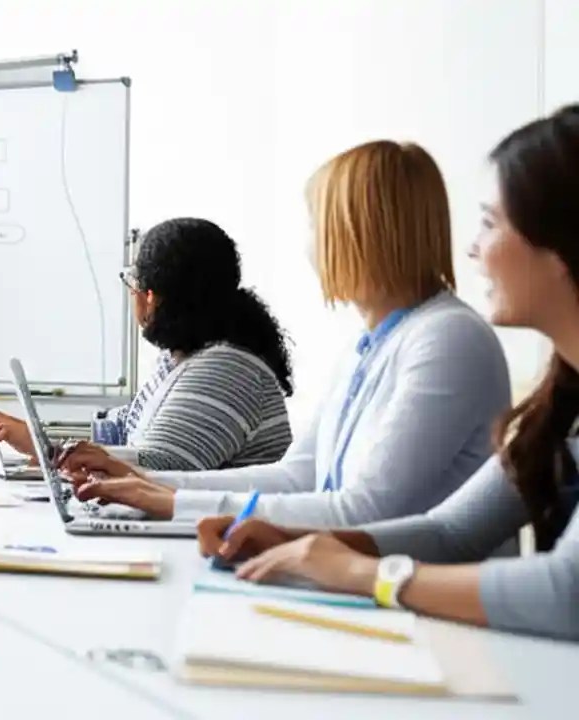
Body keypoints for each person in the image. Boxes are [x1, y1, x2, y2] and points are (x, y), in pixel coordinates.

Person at [196, 105, 579, 640]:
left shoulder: (450, 336)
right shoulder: (559, 399)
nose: (473, 248)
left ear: (561, 247)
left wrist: (364, 573)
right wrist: (292, 539)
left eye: (491, 223)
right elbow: (452, 531)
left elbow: (567, 592)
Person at [61, 140, 510, 528]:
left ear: (357, 233)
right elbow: (297, 476)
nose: (310, 246)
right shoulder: (370, 346)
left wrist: (171, 500)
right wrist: (145, 482)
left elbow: (364, 510)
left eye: (315, 224)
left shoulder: (447, 340)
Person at [0, 218, 294, 472]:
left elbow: (163, 468)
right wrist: (42, 443)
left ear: (151, 296)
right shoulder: (181, 358)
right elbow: (124, 431)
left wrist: (51, 452)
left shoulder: (225, 370)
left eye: (132, 283)